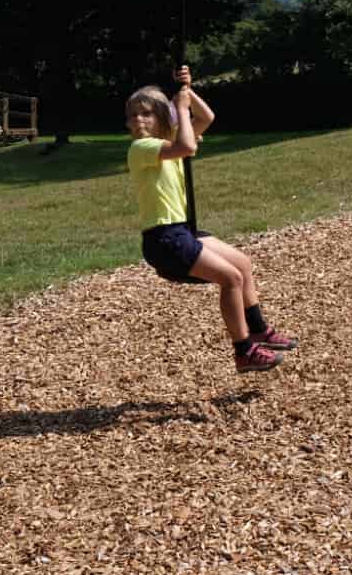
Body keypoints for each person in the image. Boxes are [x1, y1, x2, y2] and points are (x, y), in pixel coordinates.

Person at [126, 65, 295, 374]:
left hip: (182, 230)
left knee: (242, 264)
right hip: (164, 239)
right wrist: (180, 108)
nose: (138, 120)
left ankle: (259, 330)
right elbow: (187, 146)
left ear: (161, 117)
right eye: (133, 115)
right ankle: (244, 350)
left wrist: (187, 91)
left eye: (146, 114)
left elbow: (206, 118)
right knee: (231, 278)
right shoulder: (142, 148)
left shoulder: (168, 142)